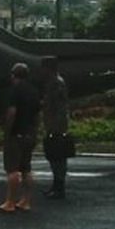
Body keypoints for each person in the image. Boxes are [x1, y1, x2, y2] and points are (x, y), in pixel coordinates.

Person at [0, 62, 40, 213]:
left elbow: (12, 112)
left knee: (12, 169)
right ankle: (26, 201)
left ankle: (10, 202)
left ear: (13, 75)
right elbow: (38, 114)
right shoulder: (34, 91)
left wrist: (7, 129)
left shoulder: (14, 90)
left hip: (16, 133)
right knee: (26, 168)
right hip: (30, 133)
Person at [41, 57, 71, 199]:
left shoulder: (57, 83)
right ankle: (56, 186)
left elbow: (59, 107)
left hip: (56, 126)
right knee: (54, 157)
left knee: (58, 157)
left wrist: (55, 127)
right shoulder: (52, 82)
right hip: (53, 124)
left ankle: (59, 187)